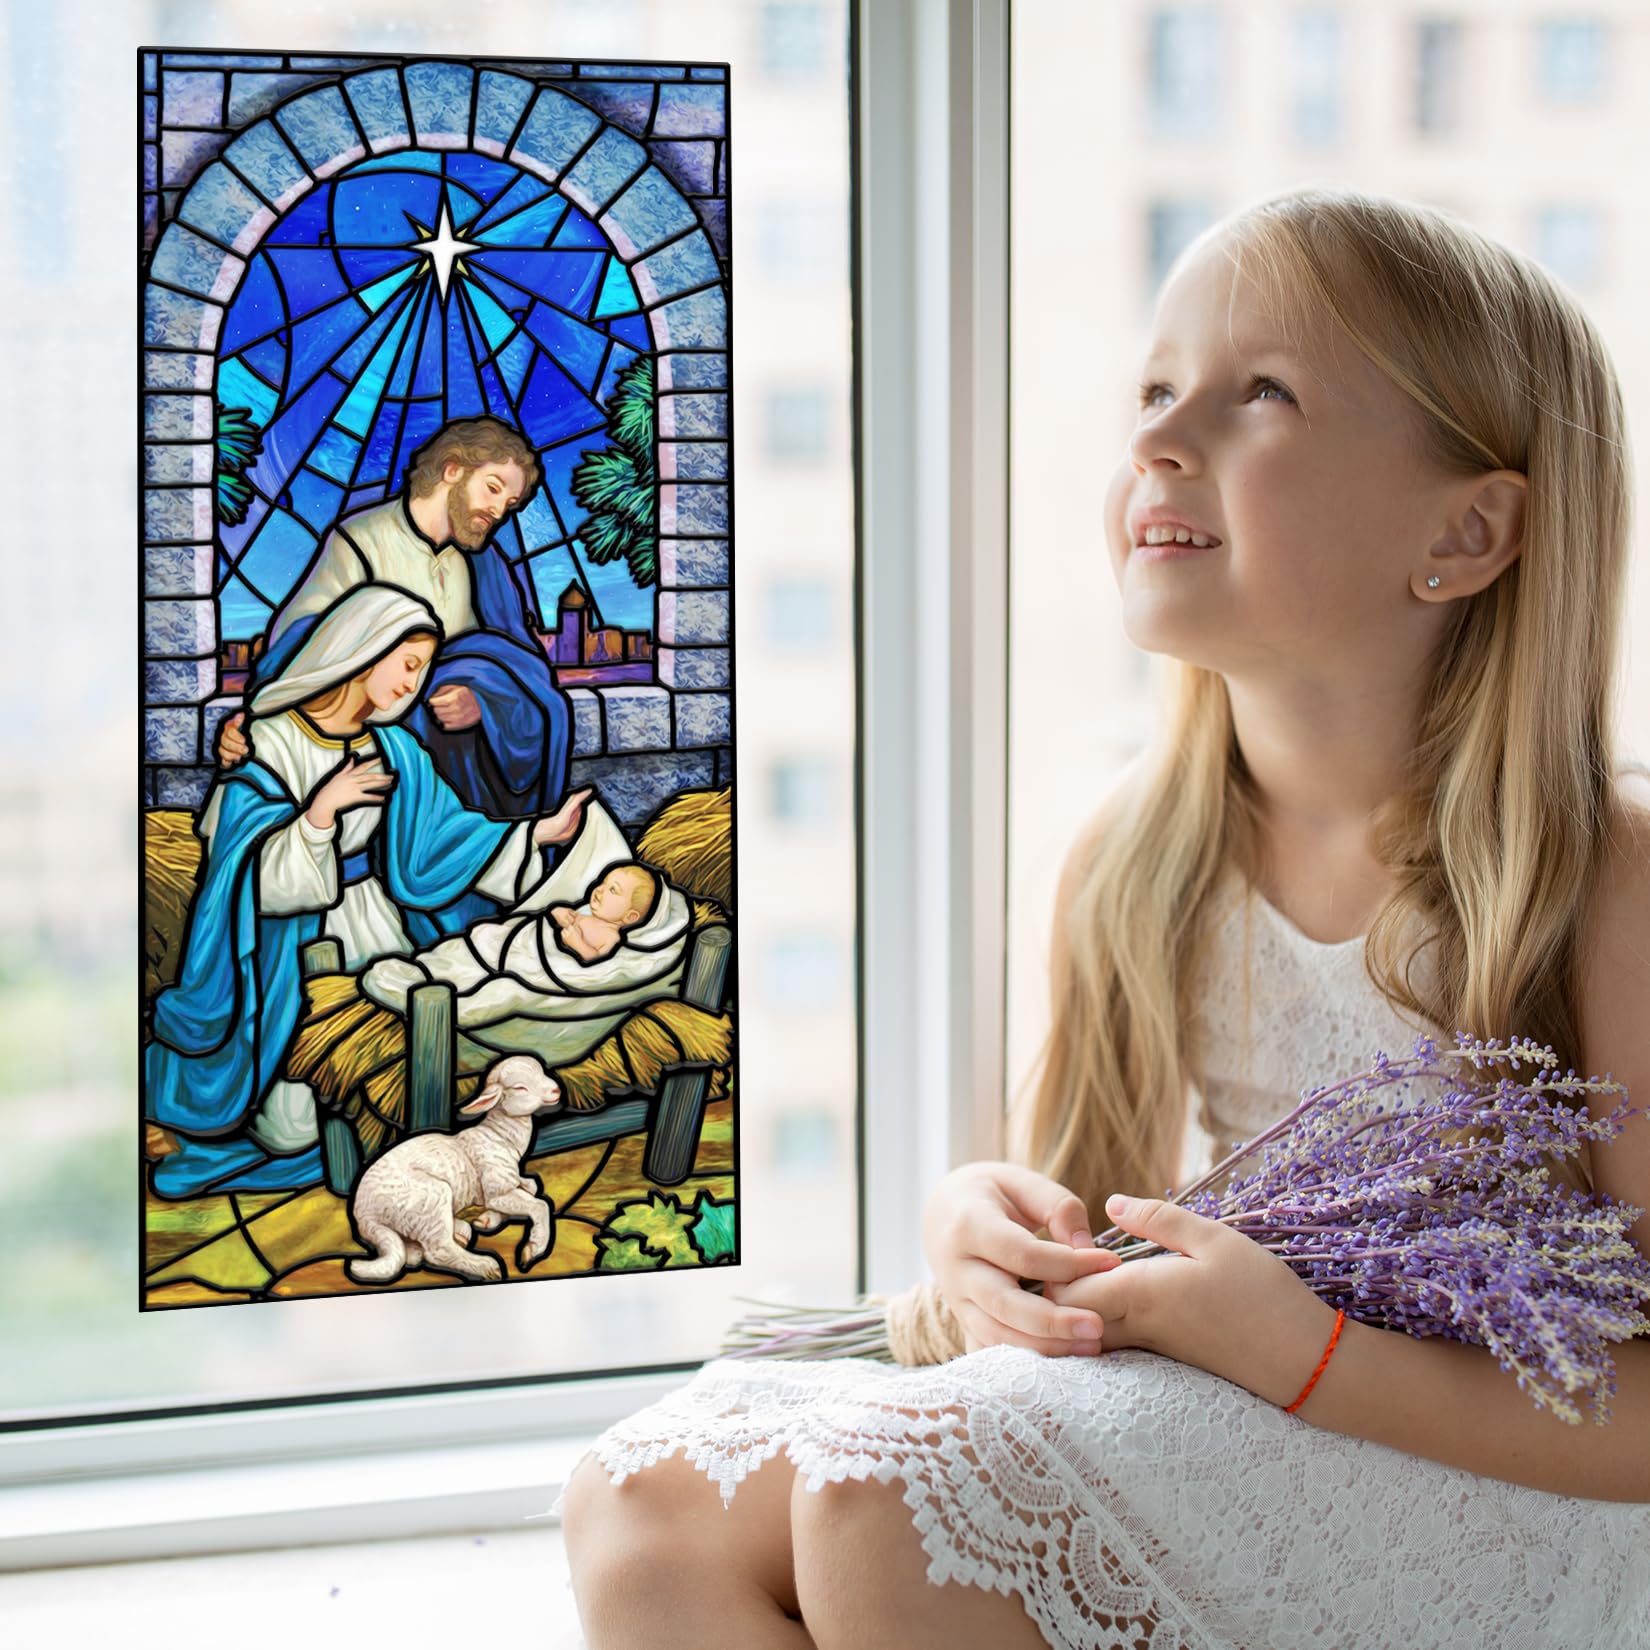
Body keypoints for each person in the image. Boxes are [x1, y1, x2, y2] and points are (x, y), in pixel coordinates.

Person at [554, 188, 1650, 1649]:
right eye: (1152, 386)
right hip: (1262, 1423)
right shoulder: (1134, 863)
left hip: (1523, 1507)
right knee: (640, 1497)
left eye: (1260, 392)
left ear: (1468, 526)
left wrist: (1300, 1348)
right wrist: (980, 1244)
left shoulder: (1599, 882)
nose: (1156, 437)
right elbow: (1099, 1266)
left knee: (888, 1502)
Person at [145, 585, 591, 1200]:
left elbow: (444, 831)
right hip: (287, 944)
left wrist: (538, 832)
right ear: (361, 652)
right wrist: (321, 813)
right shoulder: (269, 739)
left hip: (375, 925)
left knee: (389, 1067)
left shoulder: (394, 747)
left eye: (424, 669)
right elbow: (237, 859)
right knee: (293, 1131)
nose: (415, 685)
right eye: (407, 665)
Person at [216, 416, 572, 833]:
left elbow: (521, 670)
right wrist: (253, 721)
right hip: (376, 771)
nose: (498, 511)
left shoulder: (486, 567)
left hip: (462, 777)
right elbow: (300, 652)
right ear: (452, 469)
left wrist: (487, 704)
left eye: (509, 505)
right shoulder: (362, 541)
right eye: (493, 488)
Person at [550, 862, 660, 963]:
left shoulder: (612, 938)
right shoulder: (585, 914)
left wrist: (577, 943)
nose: (599, 889)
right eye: (603, 883)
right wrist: (558, 912)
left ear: (630, 917)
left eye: (613, 889)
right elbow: (560, 917)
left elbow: (597, 961)